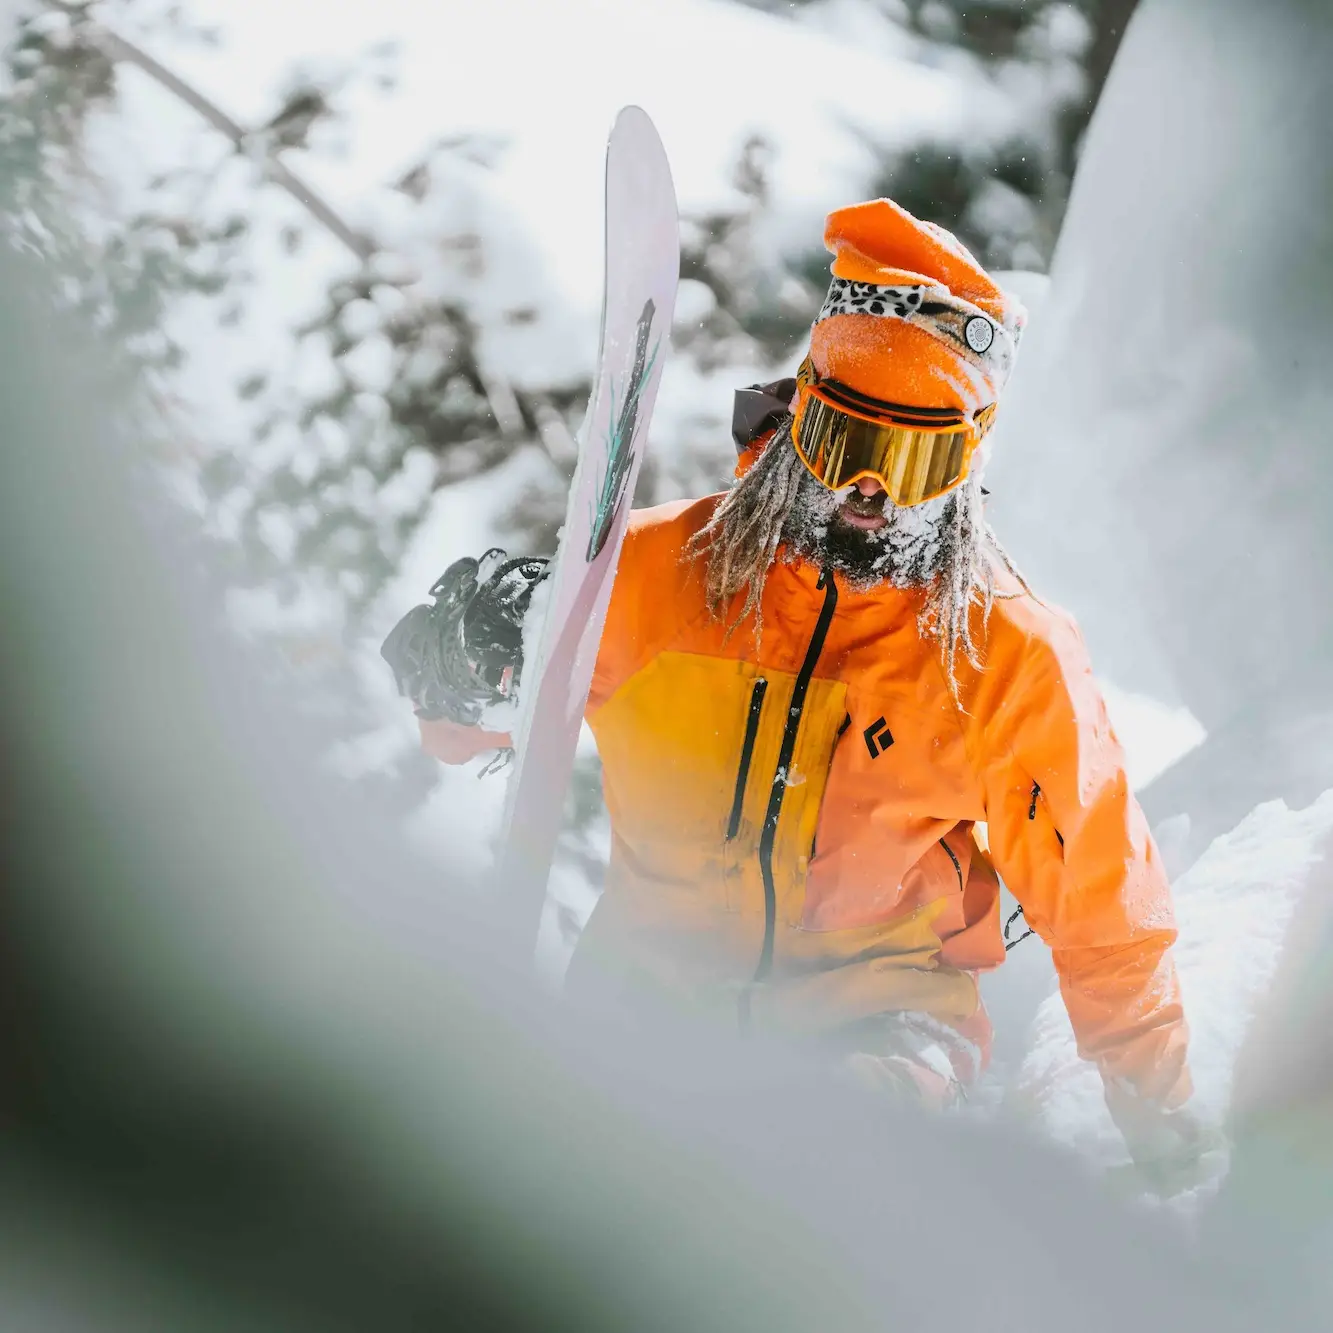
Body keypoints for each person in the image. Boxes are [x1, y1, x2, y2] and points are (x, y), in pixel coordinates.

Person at [385, 198, 1221, 1193]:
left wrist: (1162, 1121)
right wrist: (468, 653)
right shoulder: (652, 577)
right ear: (798, 415)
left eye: (913, 459)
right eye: (845, 442)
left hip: (879, 1028)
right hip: (642, 1016)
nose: (872, 491)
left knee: (807, 1163)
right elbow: (452, 731)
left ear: (967, 462)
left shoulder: (1004, 656)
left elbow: (1103, 909)